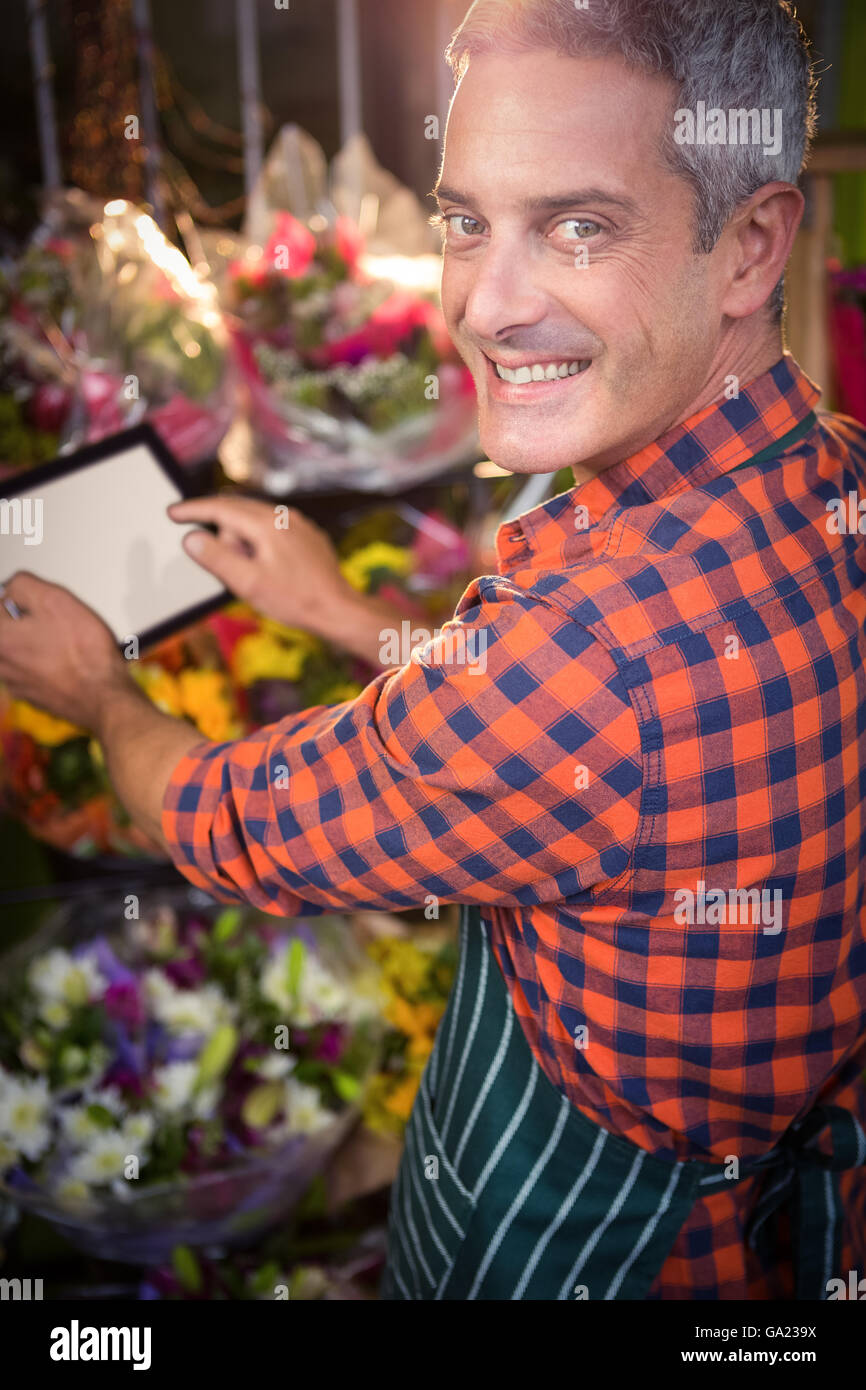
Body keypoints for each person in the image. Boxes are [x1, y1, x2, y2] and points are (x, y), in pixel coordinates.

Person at [2, 0, 866, 1301]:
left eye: (578, 225)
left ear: (749, 249)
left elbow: (226, 818)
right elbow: (555, 723)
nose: (480, 303)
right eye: (464, 219)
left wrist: (97, 689)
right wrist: (344, 615)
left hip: (601, 1241)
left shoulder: (574, 659)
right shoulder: (833, 467)